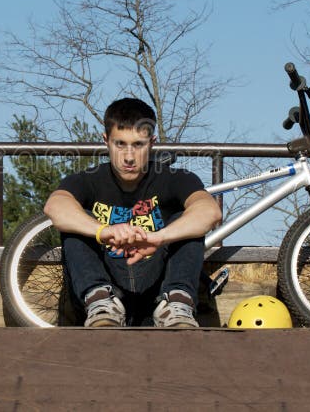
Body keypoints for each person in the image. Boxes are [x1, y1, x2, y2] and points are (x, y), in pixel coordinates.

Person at [43, 98, 221, 327]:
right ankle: (100, 302)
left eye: (138, 145)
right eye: (120, 144)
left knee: (186, 221)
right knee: (77, 221)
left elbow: (209, 211)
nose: (128, 156)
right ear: (106, 141)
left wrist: (159, 237)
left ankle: (177, 304)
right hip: (102, 289)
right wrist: (103, 231)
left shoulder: (176, 179)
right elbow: (55, 207)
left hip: (158, 290)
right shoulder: (87, 180)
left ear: (152, 143)